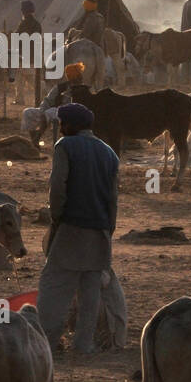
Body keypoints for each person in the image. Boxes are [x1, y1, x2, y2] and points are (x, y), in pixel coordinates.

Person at [37, 102, 120, 355]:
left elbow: (58, 187)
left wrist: (57, 219)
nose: (61, 128)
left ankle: (47, 343)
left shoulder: (65, 146)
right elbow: (113, 199)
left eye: (63, 123)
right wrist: (108, 230)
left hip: (72, 228)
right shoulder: (109, 153)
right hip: (100, 230)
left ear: (72, 125)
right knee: (90, 294)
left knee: (54, 289)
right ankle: (83, 345)